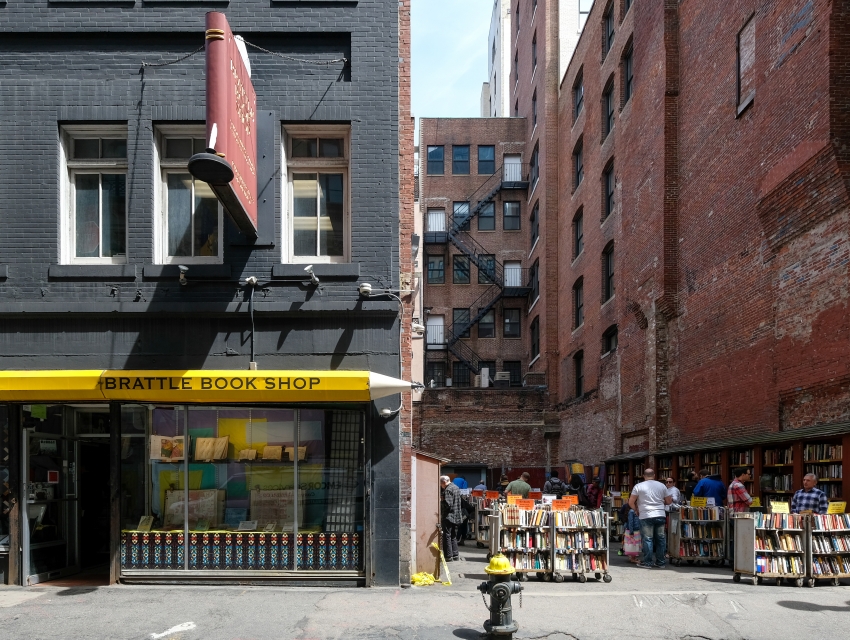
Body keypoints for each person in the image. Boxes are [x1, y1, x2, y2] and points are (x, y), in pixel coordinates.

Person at [628, 468, 672, 568]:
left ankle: (648, 562)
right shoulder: (662, 486)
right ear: (654, 475)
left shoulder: (638, 486)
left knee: (648, 539)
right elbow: (669, 502)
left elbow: (630, 502)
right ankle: (661, 562)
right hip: (660, 514)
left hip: (646, 515)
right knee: (660, 539)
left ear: (644, 476)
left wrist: (636, 510)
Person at [439, 475, 463, 561]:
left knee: (447, 536)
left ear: (444, 482)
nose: (441, 486)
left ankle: (448, 556)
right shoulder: (456, 488)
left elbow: (448, 505)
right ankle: (455, 554)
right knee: (453, 535)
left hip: (449, 516)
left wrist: (441, 501)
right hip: (456, 515)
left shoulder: (448, 490)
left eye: (441, 484)